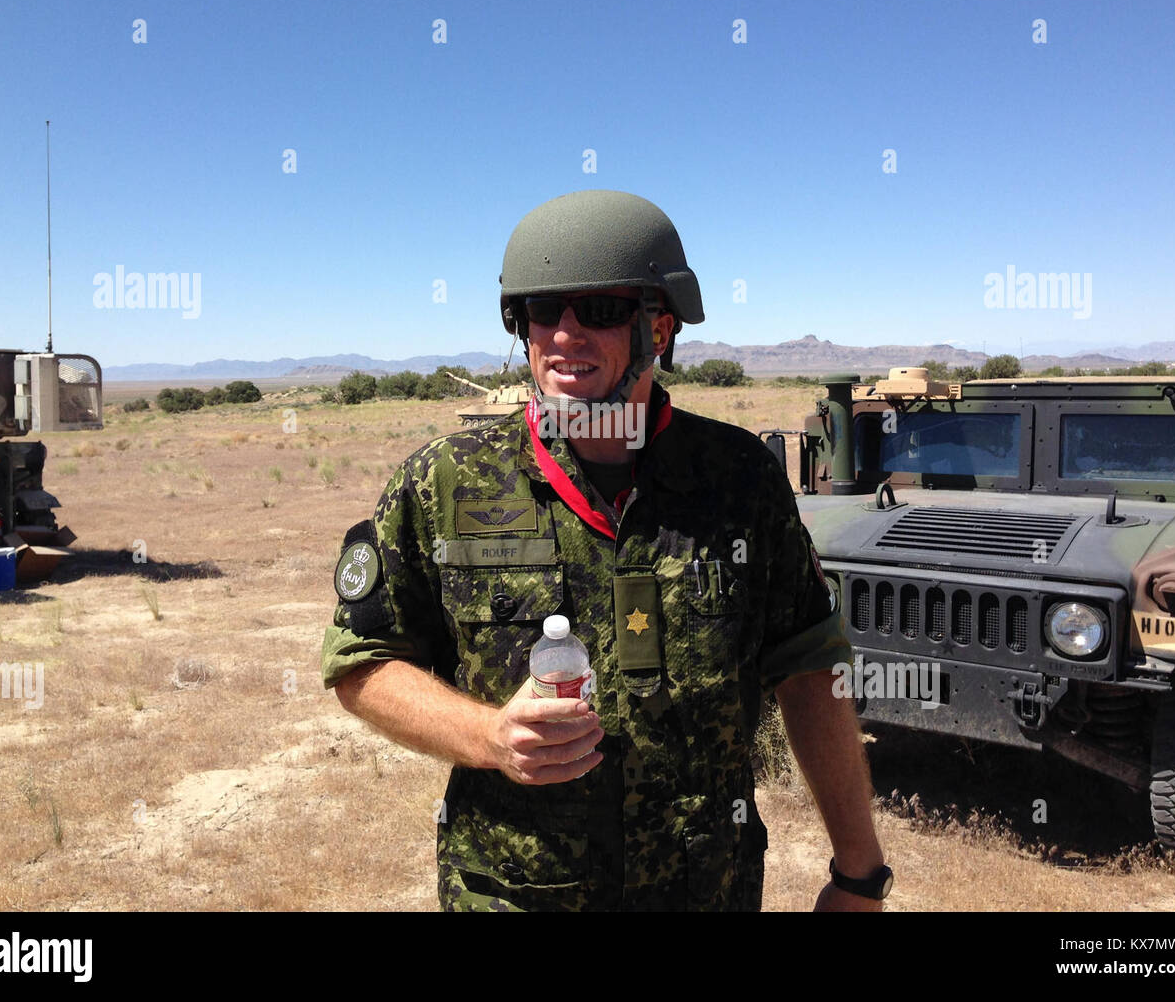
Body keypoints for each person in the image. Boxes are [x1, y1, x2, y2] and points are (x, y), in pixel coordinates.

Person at [321, 190, 890, 911]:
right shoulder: (447, 481)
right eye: (542, 310)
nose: (564, 334)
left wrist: (858, 872)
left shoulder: (741, 479)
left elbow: (807, 670)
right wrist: (489, 735)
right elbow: (362, 663)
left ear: (659, 326)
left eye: (597, 310)